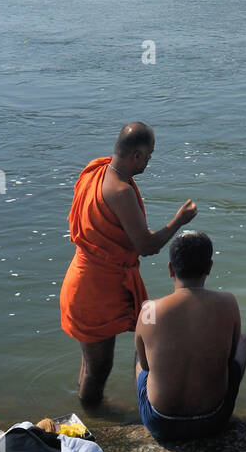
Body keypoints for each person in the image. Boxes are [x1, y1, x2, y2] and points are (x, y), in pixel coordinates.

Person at [59, 122, 198, 405]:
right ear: (136, 155)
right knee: (98, 367)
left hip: (87, 278)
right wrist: (178, 221)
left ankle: (93, 415)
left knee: (92, 363)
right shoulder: (120, 191)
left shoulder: (96, 170)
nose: (149, 161)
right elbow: (146, 246)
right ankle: (91, 422)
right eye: (148, 156)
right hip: (94, 290)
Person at [134, 230, 246, 442]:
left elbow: (147, 367)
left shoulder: (149, 310)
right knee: (242, 340)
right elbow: (230, 356)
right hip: (214, 420)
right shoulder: (228, 303)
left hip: (161, 423)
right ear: (209, 268)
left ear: (170, 269)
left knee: (141, 355)